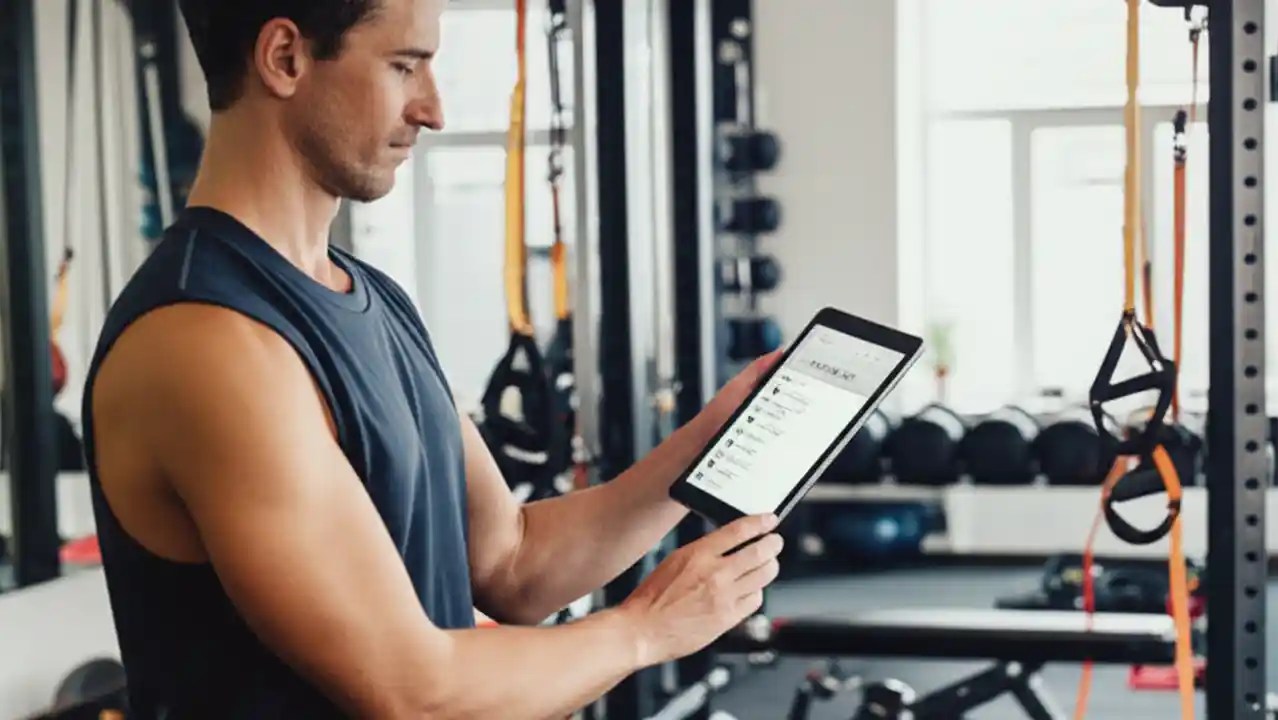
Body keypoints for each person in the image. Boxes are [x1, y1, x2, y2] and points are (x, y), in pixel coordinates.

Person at [84, 0, 784, 717]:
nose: (433, 108)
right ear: (285, 58)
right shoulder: (208, 341)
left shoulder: (370, 297)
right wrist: (645, 630)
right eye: (404, 65)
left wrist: (713, 440)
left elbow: (513, 563)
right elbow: (411, 691)